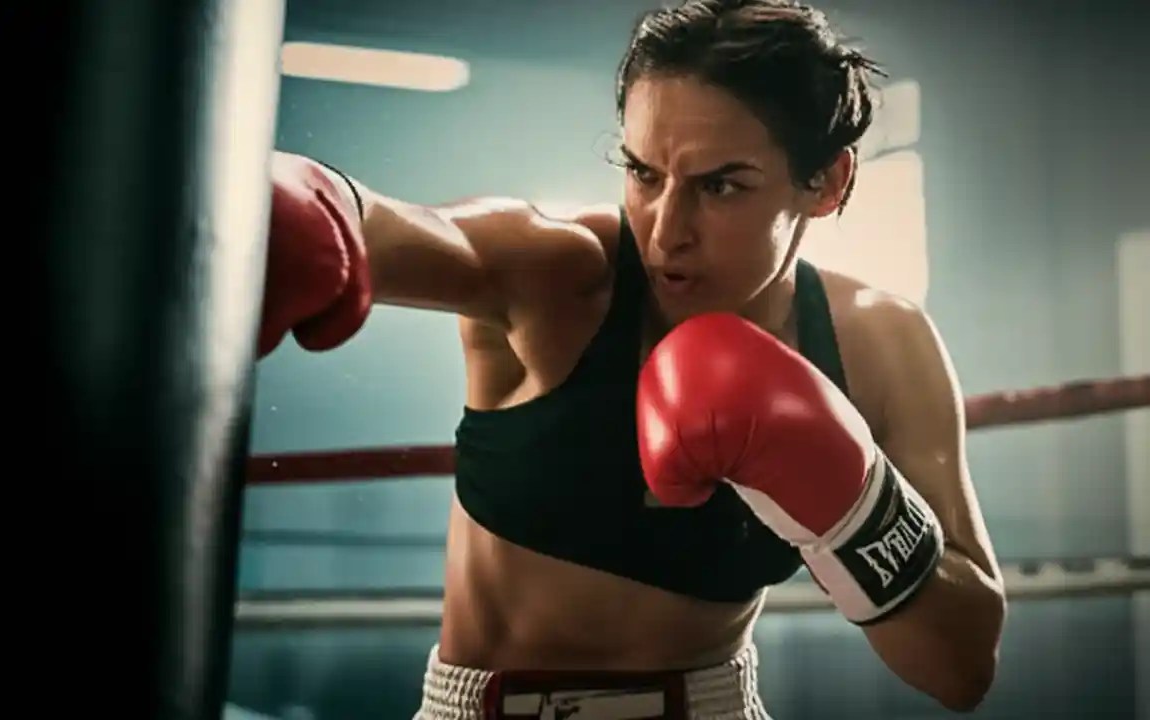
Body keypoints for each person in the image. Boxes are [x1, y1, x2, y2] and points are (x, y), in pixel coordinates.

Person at [259, 0, 1007, 716]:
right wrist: (308, 205)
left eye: (721, 186)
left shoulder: (877, 343)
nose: (665, 231)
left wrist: (853, 504)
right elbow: (415, 233)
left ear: (827, 182)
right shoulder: (560, 275)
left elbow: (961, 669)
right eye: (644, 173)